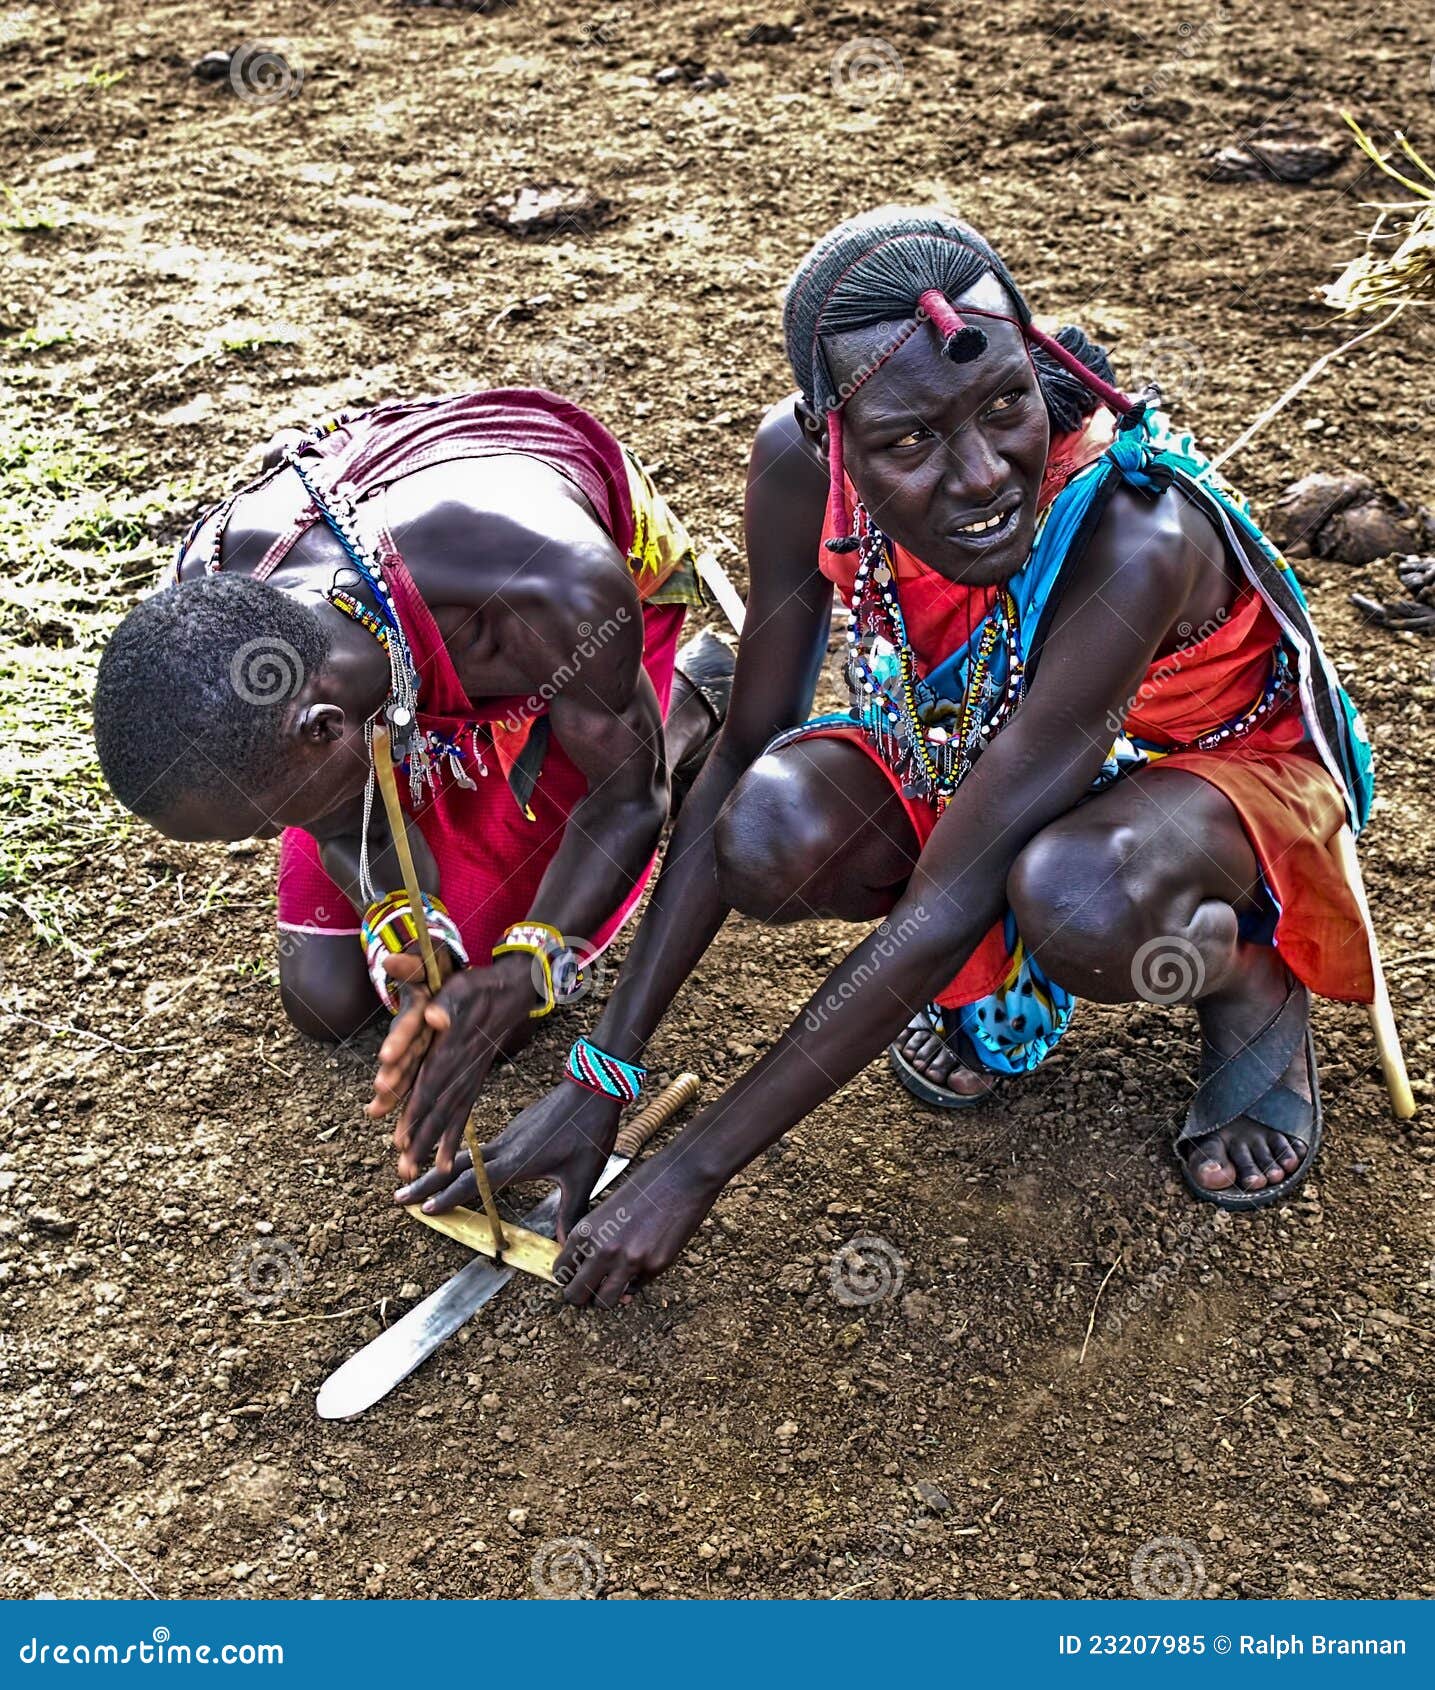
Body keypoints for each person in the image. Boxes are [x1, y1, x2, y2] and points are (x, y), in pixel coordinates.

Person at [398, 208, 1378, 1307]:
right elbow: (742, 742)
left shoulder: (1132, 535)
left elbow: (948, 889)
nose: (979, 474)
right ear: (834, 444)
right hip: (990, 749)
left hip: (1215, 776)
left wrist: (691, 1166)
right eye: (908, 441)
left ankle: (1246, 976)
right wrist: (605, 1069)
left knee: (1078, 893)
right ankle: (1011, 965)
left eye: (1005, 404)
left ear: (1037, 367)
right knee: (768, 830)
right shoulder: (793, 468)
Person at [94, 389, 731, 1179]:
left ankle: (691, 700)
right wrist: (415, 932)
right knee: (329, 996)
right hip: (384, 676)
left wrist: (527, 969)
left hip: (583, 652)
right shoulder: (220, 592)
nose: (267, 842)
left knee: (498, 1015)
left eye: (262, 825)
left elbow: (628, 801)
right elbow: (336, 825)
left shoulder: (546, 593)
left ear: (323, 729)